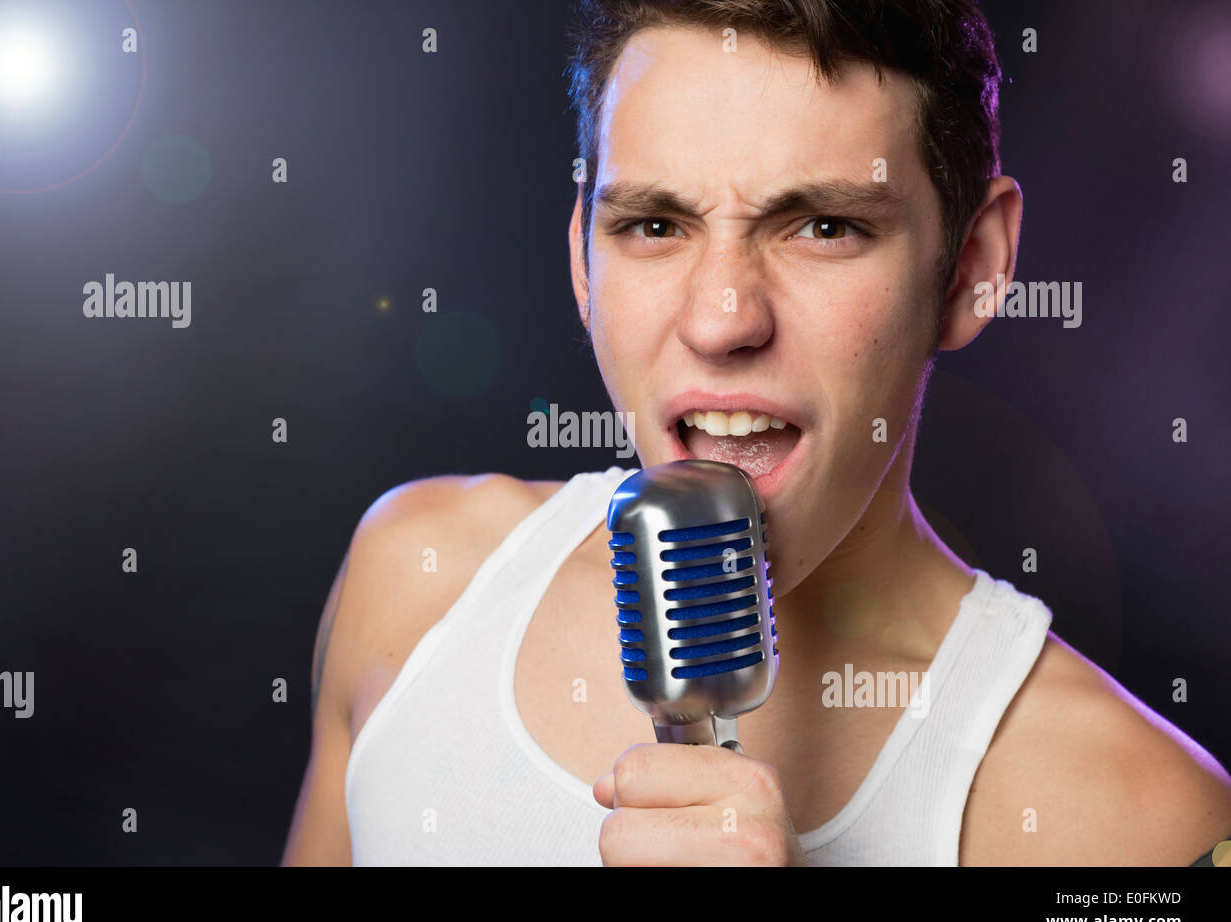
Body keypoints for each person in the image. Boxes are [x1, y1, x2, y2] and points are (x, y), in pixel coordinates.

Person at [282, 0, 1231, 866]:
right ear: (581, 261)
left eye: (821, 226)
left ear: (973, 267)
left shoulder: (1141, 824)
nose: (723, 318)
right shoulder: (417, 583)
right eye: (655, 225)